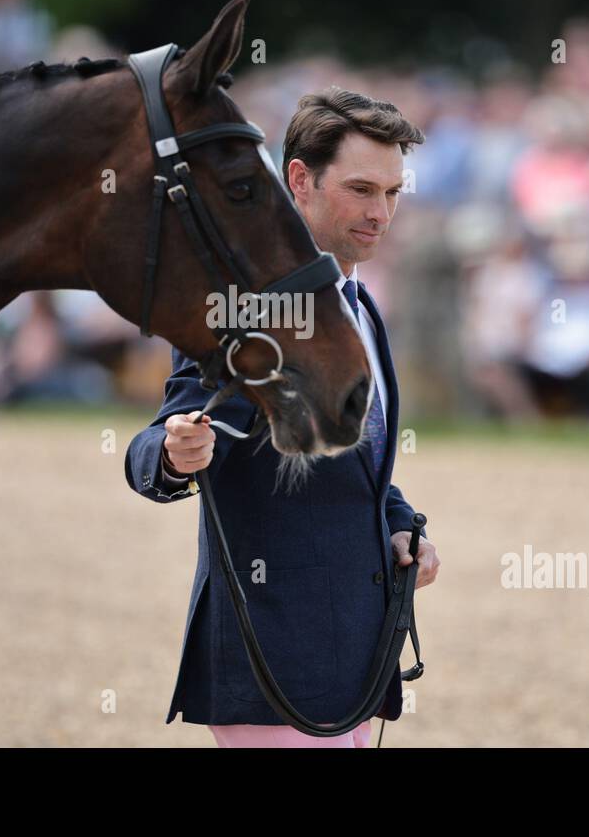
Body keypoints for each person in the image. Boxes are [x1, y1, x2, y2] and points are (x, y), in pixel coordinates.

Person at [124, 87, 440, 747]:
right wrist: (174, 454)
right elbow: (158, 443)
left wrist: (400, 525)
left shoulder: (360, 306)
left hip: (351, 660)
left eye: (392, 192)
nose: (379, 212)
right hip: (269, 659)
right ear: (300, 179)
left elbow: (352, 459)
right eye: (360, 189)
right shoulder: (240, 306)